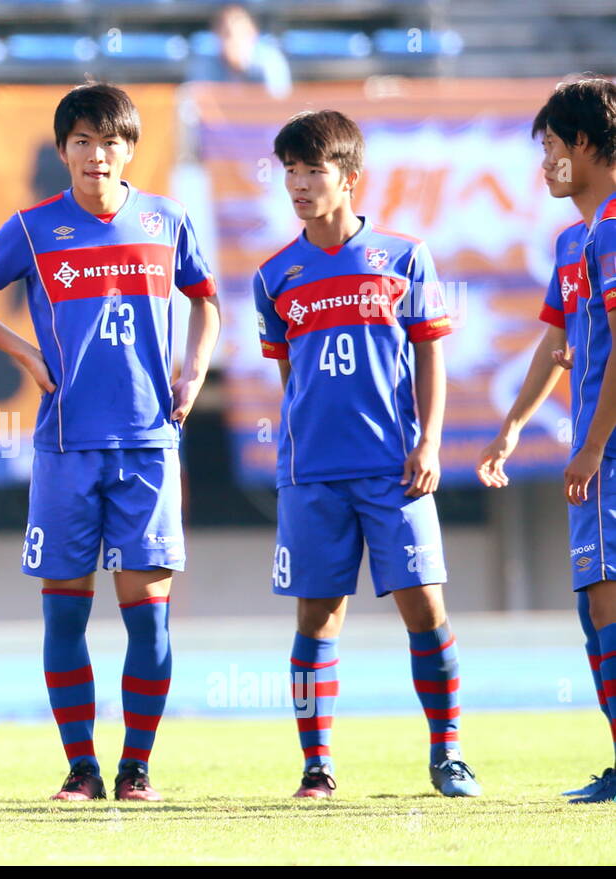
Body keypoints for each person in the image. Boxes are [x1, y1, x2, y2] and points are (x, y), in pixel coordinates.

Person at [0, 83, 222, 802]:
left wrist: (193, 373)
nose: (95, 155)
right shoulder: (34, 227)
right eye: (80, 141)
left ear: (130, 149)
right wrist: (21, 351)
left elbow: (207, 301)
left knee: (149, 613)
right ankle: (81, 767)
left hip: (147, 445)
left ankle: (136, 768)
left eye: (108, 142)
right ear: (63, 150)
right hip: (66, 447)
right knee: (65, 611)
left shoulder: (168, 222)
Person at [252, 109, 479, 799]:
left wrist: (430, 441)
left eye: (312, 170)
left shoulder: (405, 258)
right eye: (289, 169)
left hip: (394, 469)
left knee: (425, 609)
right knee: (317, 617)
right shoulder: (274, 276)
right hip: (312, 475)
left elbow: (430, 352)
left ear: (349, 178)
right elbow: (291, 376)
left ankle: (449, 754)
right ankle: (316, 767)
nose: (297, 183)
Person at [481, 79, 616, 804]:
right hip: (600, 448)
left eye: (552, 147)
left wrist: (593, 444)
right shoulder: (573, 240)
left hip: (610, 452)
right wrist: (511, 427)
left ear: (587, 146)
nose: (545, 164)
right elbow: (556, 341)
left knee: (605, 603)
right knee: (593, 604)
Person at [188, 5, 291, 99]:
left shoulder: (270, 60)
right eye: (227, 34)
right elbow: (198, 100)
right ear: (216, 35)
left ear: (253, 33)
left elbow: (279, 100)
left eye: (241, 34)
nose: (234, 40)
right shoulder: (206, 63)